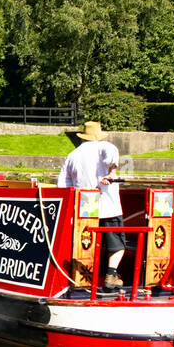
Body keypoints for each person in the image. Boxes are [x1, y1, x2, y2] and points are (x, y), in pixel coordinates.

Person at [57, 120, 127, 290]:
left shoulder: (72, 155)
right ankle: (111, 274)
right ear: (98, 136)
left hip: (83, 208)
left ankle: (80, 277)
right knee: (117, 243)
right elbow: (111, 151)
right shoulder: (103, 146)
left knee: (83, 243)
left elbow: (63, 185)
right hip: (107, 206)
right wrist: (112, 172)